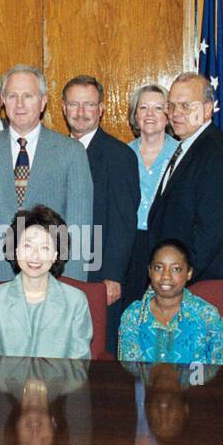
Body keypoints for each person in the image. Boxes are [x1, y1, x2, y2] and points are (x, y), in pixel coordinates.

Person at [0, 64, 93, 351]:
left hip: (52, 280)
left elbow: (80, 223)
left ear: (43, 102)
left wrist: (72, 284)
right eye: (13, 96)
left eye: (28, 96)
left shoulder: (71, 152)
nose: (20, 104)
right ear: (3, 101)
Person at [62, 74, 139, 354]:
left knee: (98, 355)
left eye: (89, 105)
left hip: (99, 278)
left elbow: (123, 222)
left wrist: (113, 276)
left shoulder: (119, 156)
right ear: (62, 107)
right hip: (57, 274)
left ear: (102, 108)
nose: (81, 113)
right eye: (74, 104)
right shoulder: (55, 152)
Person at [145, 72, 223, 282]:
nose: (176, 113)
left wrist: (178, 276)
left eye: (186, 106)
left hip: (197, 284)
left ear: (207, 109)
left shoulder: (217, 154)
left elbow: (210, 230)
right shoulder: (187, 146)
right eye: (171, 106)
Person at [0, 204, 92, 359]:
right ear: (15, 250)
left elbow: (79, 366)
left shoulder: (76, 301)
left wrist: (47, 384)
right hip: (7, 383)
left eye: (44, 248)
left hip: (58, 383)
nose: (35, 256)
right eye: (27, 246)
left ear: (55, 255)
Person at [117, 238, 223, 365]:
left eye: (176, 269)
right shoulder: (133, 315)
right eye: (158, 267)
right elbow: (129, 374)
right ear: (149, 271)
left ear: (189, 273)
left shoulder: (206, 315)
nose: (166, 276)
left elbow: (222, 373)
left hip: (198, 385)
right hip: (145, 385)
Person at [123, 83, 178, 307]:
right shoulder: (123, 154)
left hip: (167, 241)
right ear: (135, 115)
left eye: (158, 108)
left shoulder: (181, 153)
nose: (150, 114)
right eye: (143, 107)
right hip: (130, 244)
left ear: (168, 115)